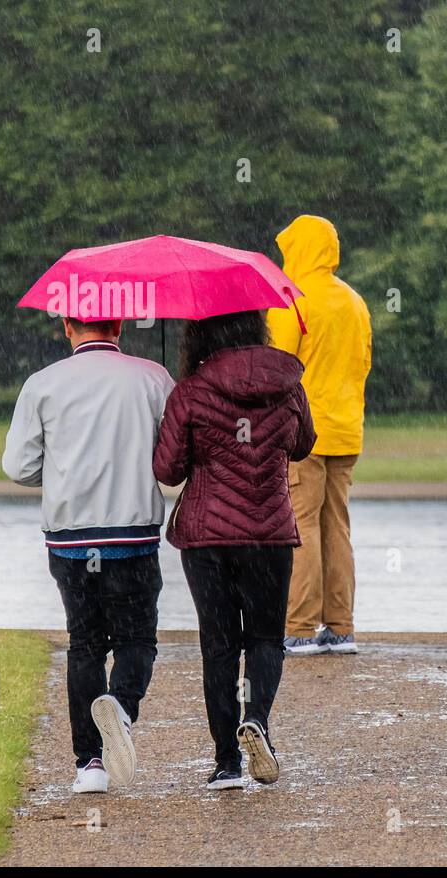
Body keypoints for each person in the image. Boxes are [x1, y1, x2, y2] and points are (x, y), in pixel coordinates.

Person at [3, 315, 174, 794]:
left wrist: (59, 471)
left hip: (70, 538)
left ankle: (89, 764)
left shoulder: (43, 384)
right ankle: (120, 705)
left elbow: (18, 466)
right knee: (137, 640)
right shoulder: (154, 377)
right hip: (133, 534)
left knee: (85, 645)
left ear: (66, 327)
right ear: (119, 324)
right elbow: (175, 455)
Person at [153, 310, 316, 790]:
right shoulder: (287, 384)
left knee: (219, 646)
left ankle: (226, 761)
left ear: (200, 331)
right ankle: (258, 721)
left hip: (208, 537)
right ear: (256, 327)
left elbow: (167, 470)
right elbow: (305, 444)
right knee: (266, 638)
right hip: (269, 533)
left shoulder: (192, 390)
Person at [267, 214, 372, 656]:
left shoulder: (291, 299)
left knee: (301, 525)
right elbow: (363, 363)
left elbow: (276, 367)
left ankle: (300, 626)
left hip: (302, 432)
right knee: (337, 526)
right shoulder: (355, 301)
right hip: (347, 430)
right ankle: (340, 626)